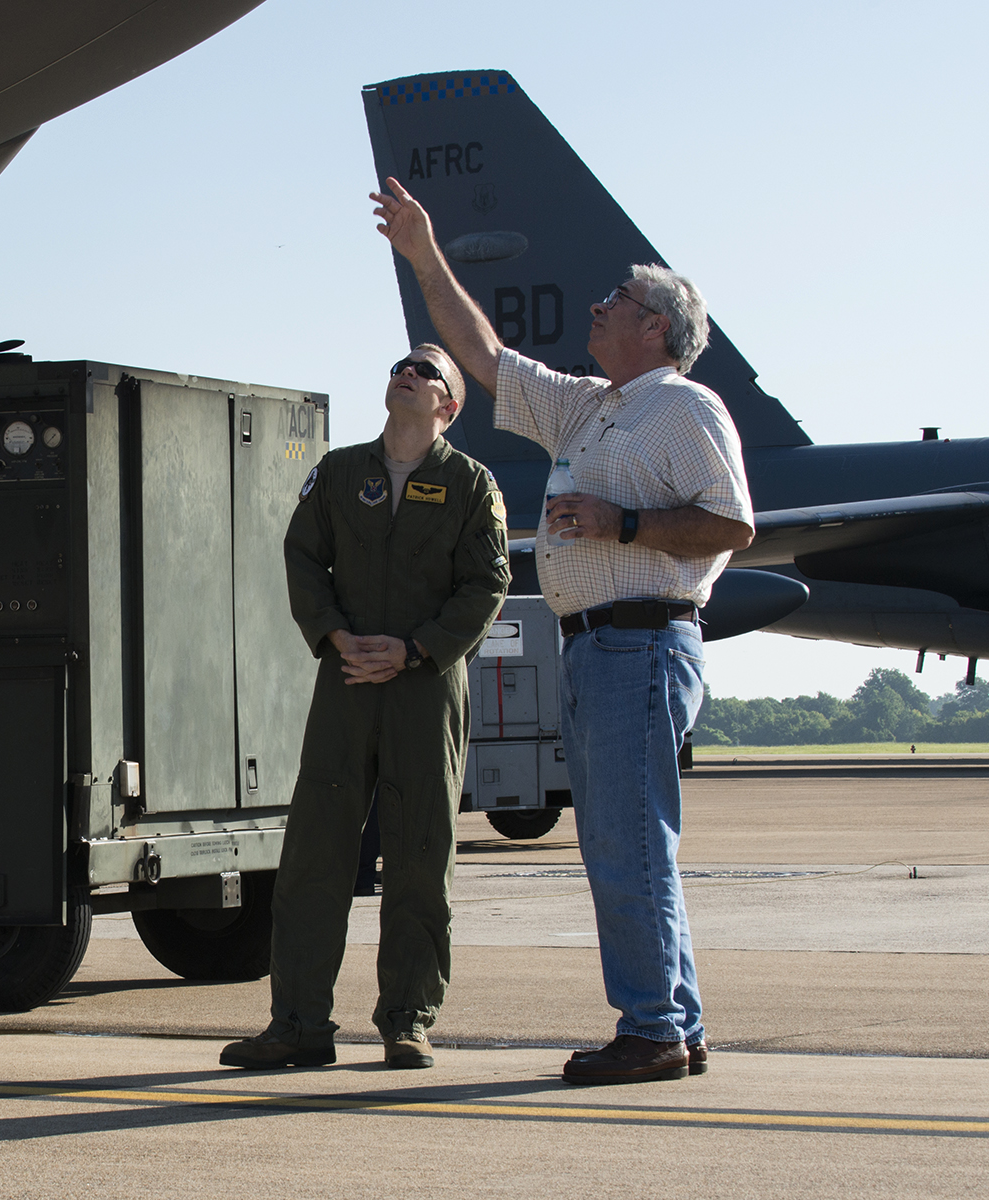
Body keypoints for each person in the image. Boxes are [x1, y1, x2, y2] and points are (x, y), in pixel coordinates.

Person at [370, 177, 755, 1084]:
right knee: (627, 838)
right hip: (597, 646)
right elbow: (485, 354)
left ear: (655, 328)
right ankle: (674, 1022)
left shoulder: (685, 408)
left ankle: (652, 1028)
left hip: (643, 642)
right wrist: (425, 254)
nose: (597, 306)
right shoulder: (592, 405)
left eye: (615, 302)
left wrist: (623, 523)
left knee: (627, 840)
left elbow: (733, 526)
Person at [220, 343, 511, 1071]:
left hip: (424, 686)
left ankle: (408, 1019)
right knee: (315, 854)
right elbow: (301, 556)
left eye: (426, 373)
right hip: (347, 680)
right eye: (399, 367)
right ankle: (297, 1025)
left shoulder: (473, 485)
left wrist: (415, 650)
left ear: (449, 406)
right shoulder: (341, 474)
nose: (407, 374)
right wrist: (333, 635)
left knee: (419, 855)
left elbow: (486, 586)